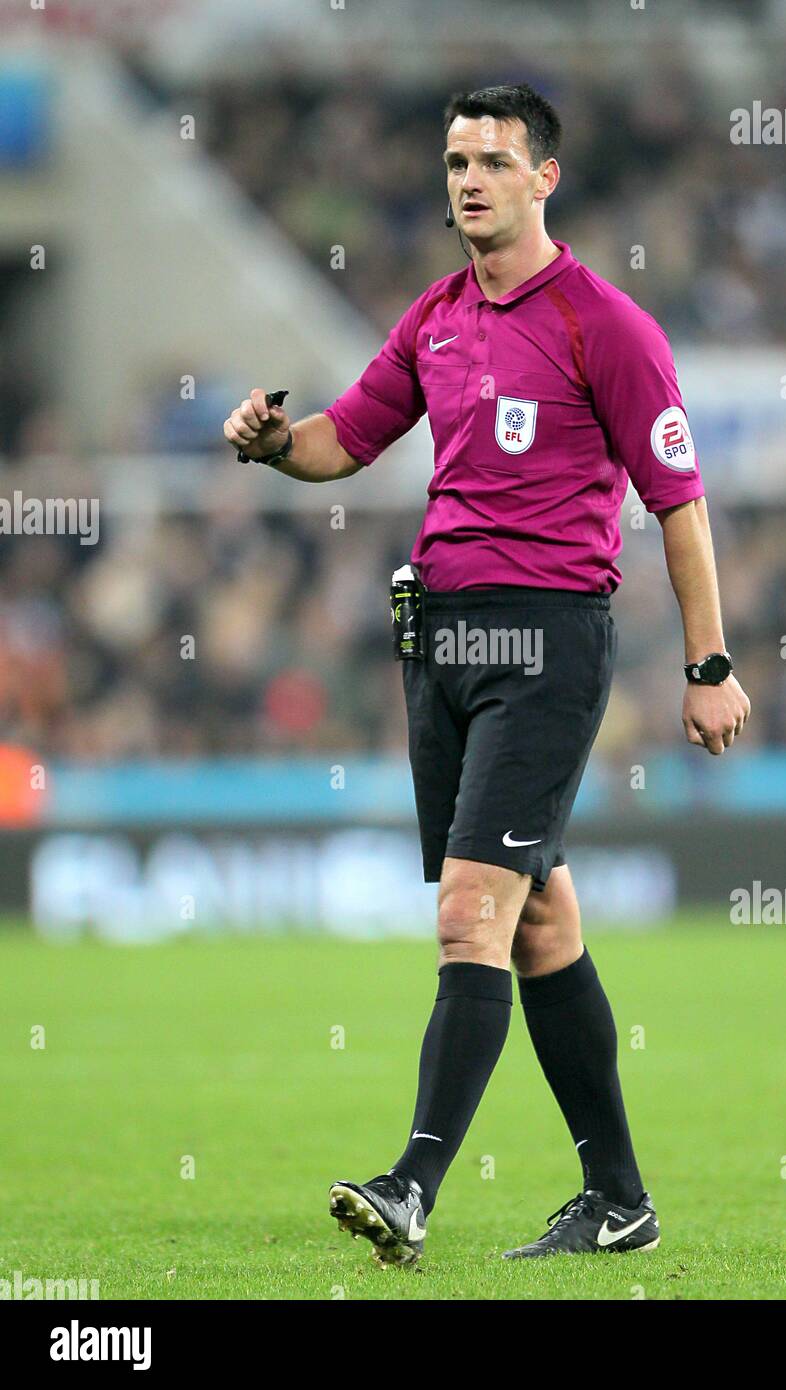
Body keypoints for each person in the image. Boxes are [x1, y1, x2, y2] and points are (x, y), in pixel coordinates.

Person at [223, 82, 750, 1266]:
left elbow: (680, 503)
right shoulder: (437, 318)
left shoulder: (604, 324)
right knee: (538, 920)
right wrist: (268, 446)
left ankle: (412, 1181)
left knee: (471, 911)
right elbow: (343, 442)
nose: (468, 179)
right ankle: (618, 1198)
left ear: (543, 178)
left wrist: (711, 662)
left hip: (546, 645)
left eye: (494, 160)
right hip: (443, 642)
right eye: (456, 159)